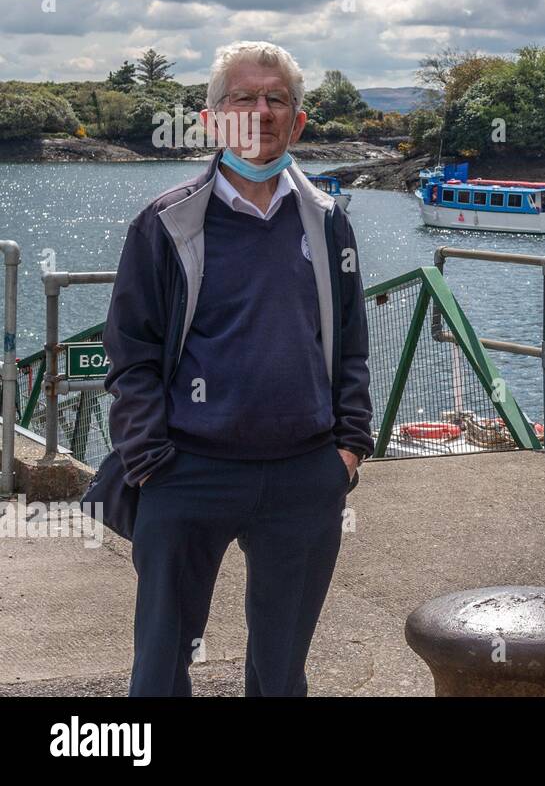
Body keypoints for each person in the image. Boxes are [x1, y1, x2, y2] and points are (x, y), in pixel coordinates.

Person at [102, 40, 374, 696]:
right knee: (161, 667)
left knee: (281, 673)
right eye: (243, 97)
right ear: (211, 118)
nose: (261, 110)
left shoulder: (330, 221)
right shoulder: (166, 223)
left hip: (304, 477)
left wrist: (348, 449)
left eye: (276, 99)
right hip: (185, 472)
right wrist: (147, 457)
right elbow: (130, 350)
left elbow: (352, 341)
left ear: (298, 121)